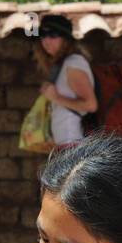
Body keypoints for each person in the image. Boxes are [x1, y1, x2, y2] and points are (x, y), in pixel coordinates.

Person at [34, 14, 97, 148]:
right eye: (43, 36)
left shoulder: (73, 63)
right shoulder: (62, 64)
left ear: (66, 39)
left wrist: (56, 97)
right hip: (65, 144)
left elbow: (90, 105)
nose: (46, 41)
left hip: (75, 144)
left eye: (53, 35)